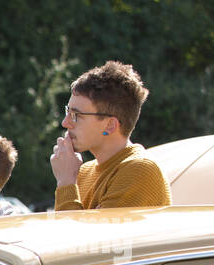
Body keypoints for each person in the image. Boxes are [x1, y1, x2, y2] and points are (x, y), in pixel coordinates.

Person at [51, 61, 171, 210]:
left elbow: (84, 233)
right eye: (67, 112)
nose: (65, 122)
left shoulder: (140, 170)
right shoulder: (82, 172)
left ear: (110, 125)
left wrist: (66, 183)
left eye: (76, 115)